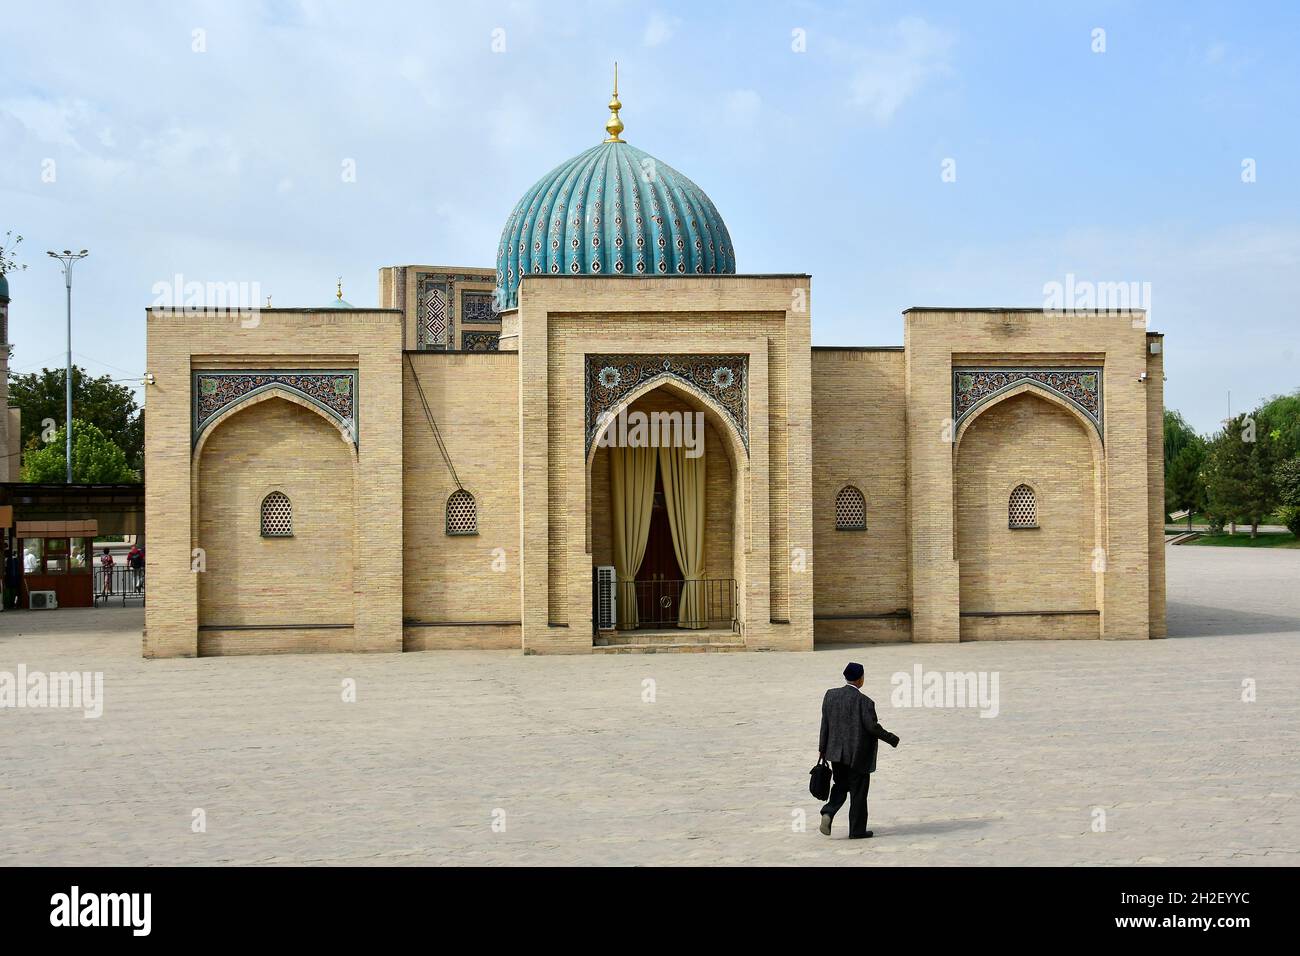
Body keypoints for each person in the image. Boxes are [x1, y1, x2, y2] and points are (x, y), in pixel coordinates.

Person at [817, 661, 900, 839]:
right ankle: (857, 830)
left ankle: (828, 812)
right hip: (858, 755)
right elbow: (872, 728)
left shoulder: (830, 696)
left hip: (835, 754)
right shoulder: (864, 702)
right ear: (860, 679)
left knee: (840, 786)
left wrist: (822, 749)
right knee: (859, 792)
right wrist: (891, 738)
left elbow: (825, 725)